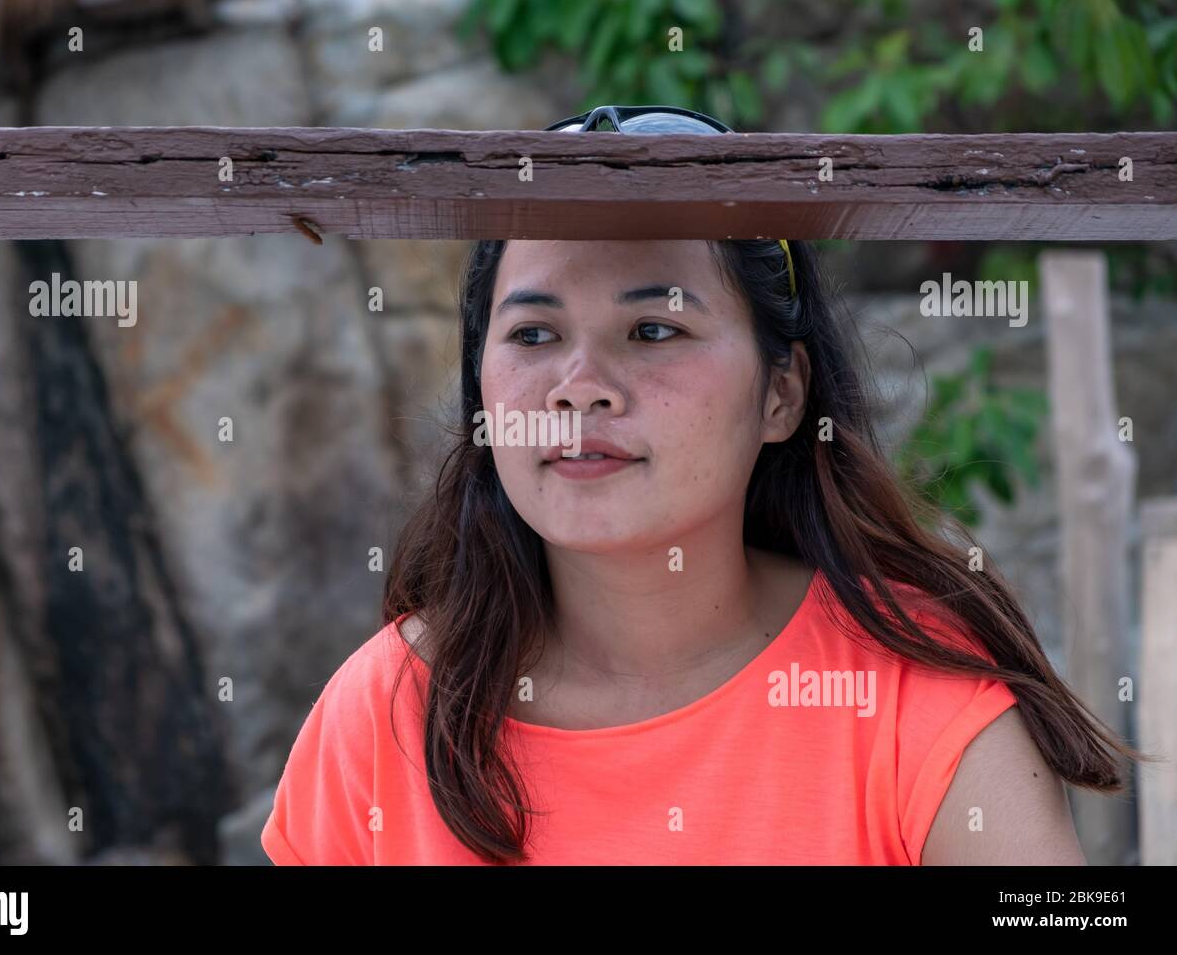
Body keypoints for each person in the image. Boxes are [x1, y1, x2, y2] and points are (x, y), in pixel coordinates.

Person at [261, 107, 1142, 866]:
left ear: (781, 392)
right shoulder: (386, 709)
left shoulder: (917, 690)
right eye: (532, 335)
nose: (580, 384)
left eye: (653, 328)